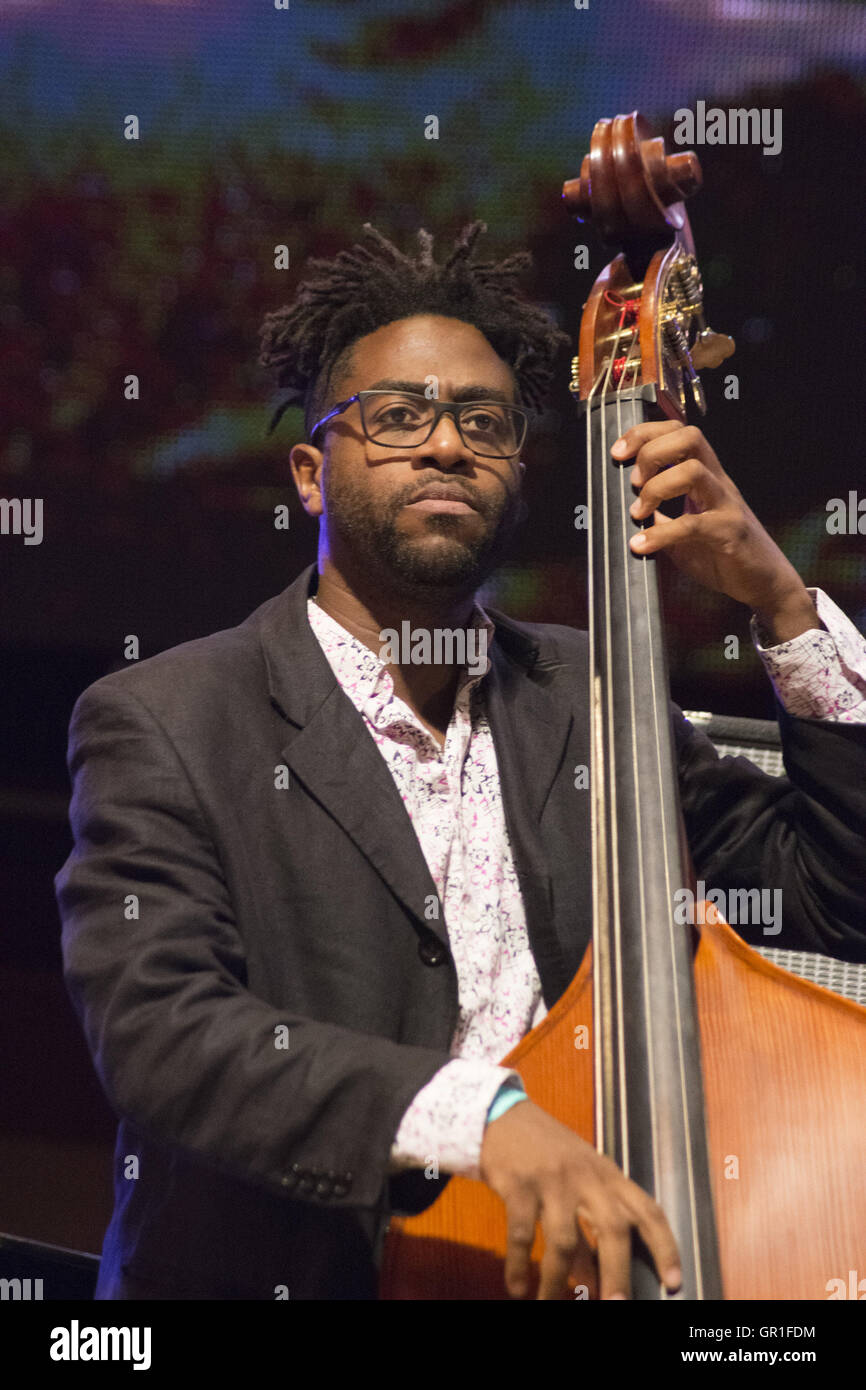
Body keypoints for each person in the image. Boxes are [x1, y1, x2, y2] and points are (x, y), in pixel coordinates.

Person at [55, 221, 866, 1301]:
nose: (446, 446)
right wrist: (476, 1116)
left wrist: (780, 605)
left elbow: (831, 899)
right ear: (309, 471)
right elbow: (160, 1029)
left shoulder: (592, 700)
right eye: (397, 416)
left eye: (481, 422)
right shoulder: (165, 719)